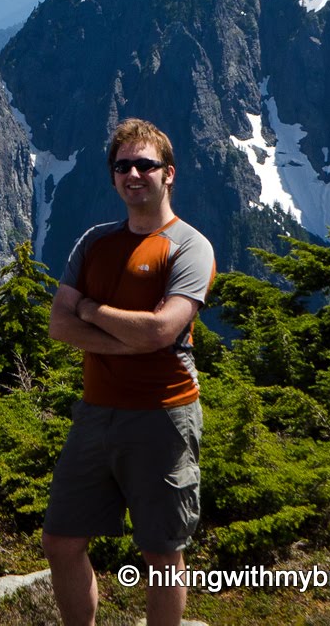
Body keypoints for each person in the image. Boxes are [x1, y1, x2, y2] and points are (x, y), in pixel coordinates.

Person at [42, 119, 217, 626]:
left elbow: (162, 331)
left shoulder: (189, 246)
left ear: (169, 174)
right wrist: (130, 338)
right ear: (113, 176)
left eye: (146, 164)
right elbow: (58, 324)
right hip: (96, 415)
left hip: (164, 416)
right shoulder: (94, 242)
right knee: (61, 540)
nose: (134, 173)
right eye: (123, 166)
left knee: (162, 554)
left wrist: (93, 311)